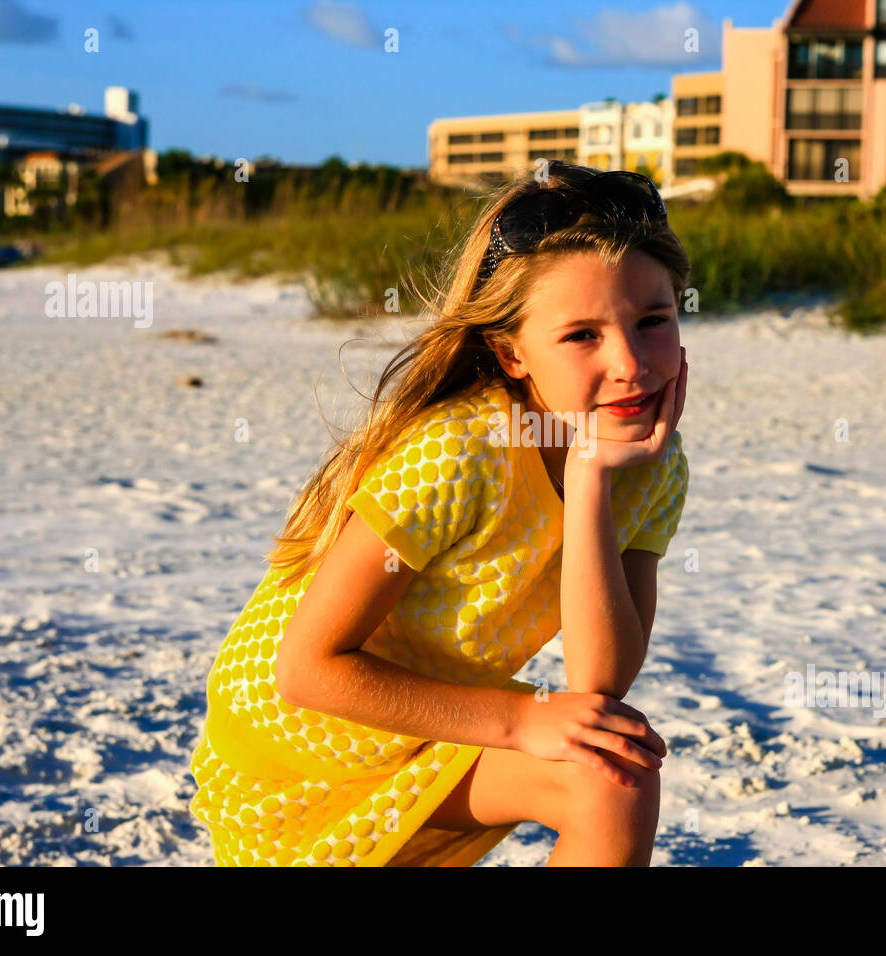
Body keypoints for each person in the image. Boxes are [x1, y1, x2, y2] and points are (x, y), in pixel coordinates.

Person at [188, 160, 691, 867]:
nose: (631, 363)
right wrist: (519, 720)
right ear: (511, 352)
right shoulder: (458, 453)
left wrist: (591, 485)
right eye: (582, 335)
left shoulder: (650, 467)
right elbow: (305, 668)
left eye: (653, 321)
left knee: (613, 773)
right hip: (298, 745)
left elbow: (600, 682)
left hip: (438, 717)